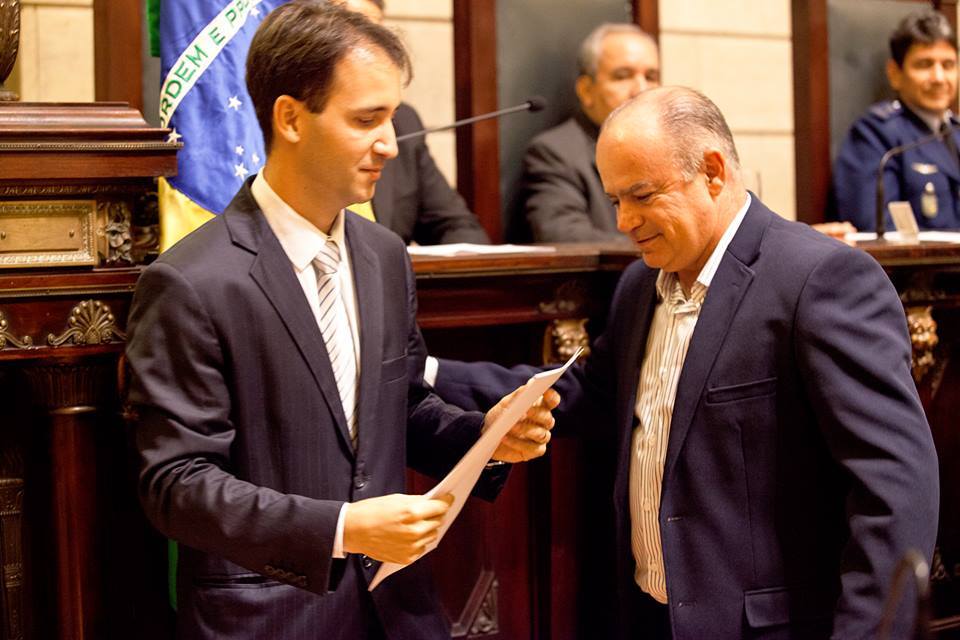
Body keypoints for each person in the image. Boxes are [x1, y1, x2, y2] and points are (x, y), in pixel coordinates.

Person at [435, 87, 940, 638]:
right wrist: (426, 374)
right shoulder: (638, 286)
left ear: (713, 173)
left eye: (642, 195)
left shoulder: (820, 280)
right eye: (614, 201)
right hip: (654, 618)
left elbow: (895, 483)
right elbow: (585, 394)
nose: (624, 221)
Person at [125, 4, 558, 639]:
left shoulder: (383, 256)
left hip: (396, 609)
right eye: (366, 120)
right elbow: (176, 485)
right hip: (269, 615)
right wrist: (340, 528)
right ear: (291, 118)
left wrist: (483, 437)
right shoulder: (192, 281)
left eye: (391, 116)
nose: (391, 142)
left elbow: (401, 406)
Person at [335, 0, 491, 245]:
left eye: (377, 32)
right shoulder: (260, 137)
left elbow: (455, 224)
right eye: (366, 120)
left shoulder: (405, 122)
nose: (390, 148)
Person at [522, 22, 660, 243]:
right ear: (586, 90)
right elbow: (564, 235)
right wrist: (662, 246)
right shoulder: (555, 152)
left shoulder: (670, 148)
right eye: (623, 76)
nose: (641, 89)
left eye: (651, 76)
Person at [833, 9, 960, 230]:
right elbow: (874, 227)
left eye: (948, 65)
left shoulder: (956, 132)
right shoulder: (875, 134)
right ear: (895, 73)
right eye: (924, 64)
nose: (939, 78)